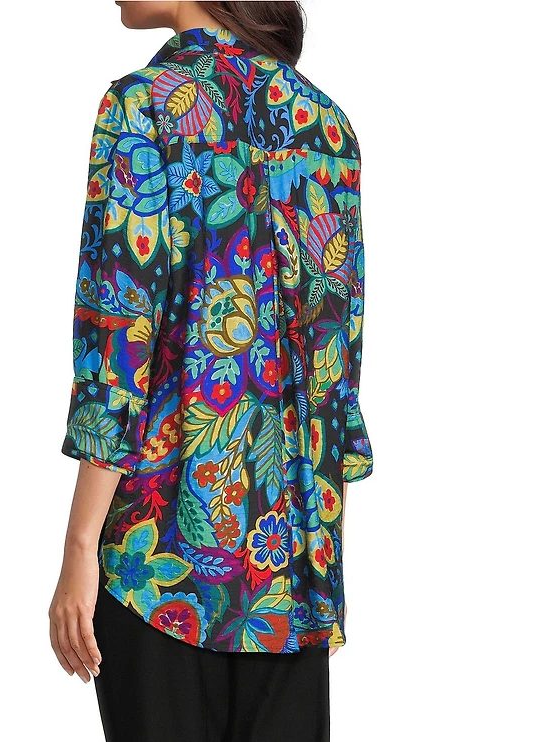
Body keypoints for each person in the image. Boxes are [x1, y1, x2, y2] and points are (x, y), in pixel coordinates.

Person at [48, 1, 374, 740]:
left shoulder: (143, 107)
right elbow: (334, 358)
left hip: (159, 558)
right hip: (293, 566)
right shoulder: (327, 125)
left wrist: (79, 550)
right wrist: (323, 560)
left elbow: (119, 335)